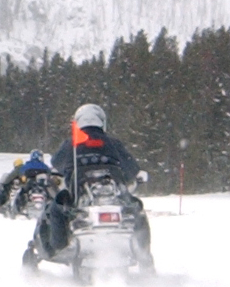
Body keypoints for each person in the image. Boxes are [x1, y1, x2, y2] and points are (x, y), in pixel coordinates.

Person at [31, 104, 153, 269]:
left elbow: (55, 165)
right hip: (115, 198)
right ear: (102, 121)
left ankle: (59, 246)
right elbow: (132, 168)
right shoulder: (113, 143)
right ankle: (142, 250)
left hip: (79, 198)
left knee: (56, 209)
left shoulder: (71, 144)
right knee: (136, 208)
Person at [0, 150, 50, 214]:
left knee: (21, 193)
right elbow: (49, 175)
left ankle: (17, 210)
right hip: (42, 187)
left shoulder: (26, 166)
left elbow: (19, 174)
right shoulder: (45, 167)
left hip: (29, 186)